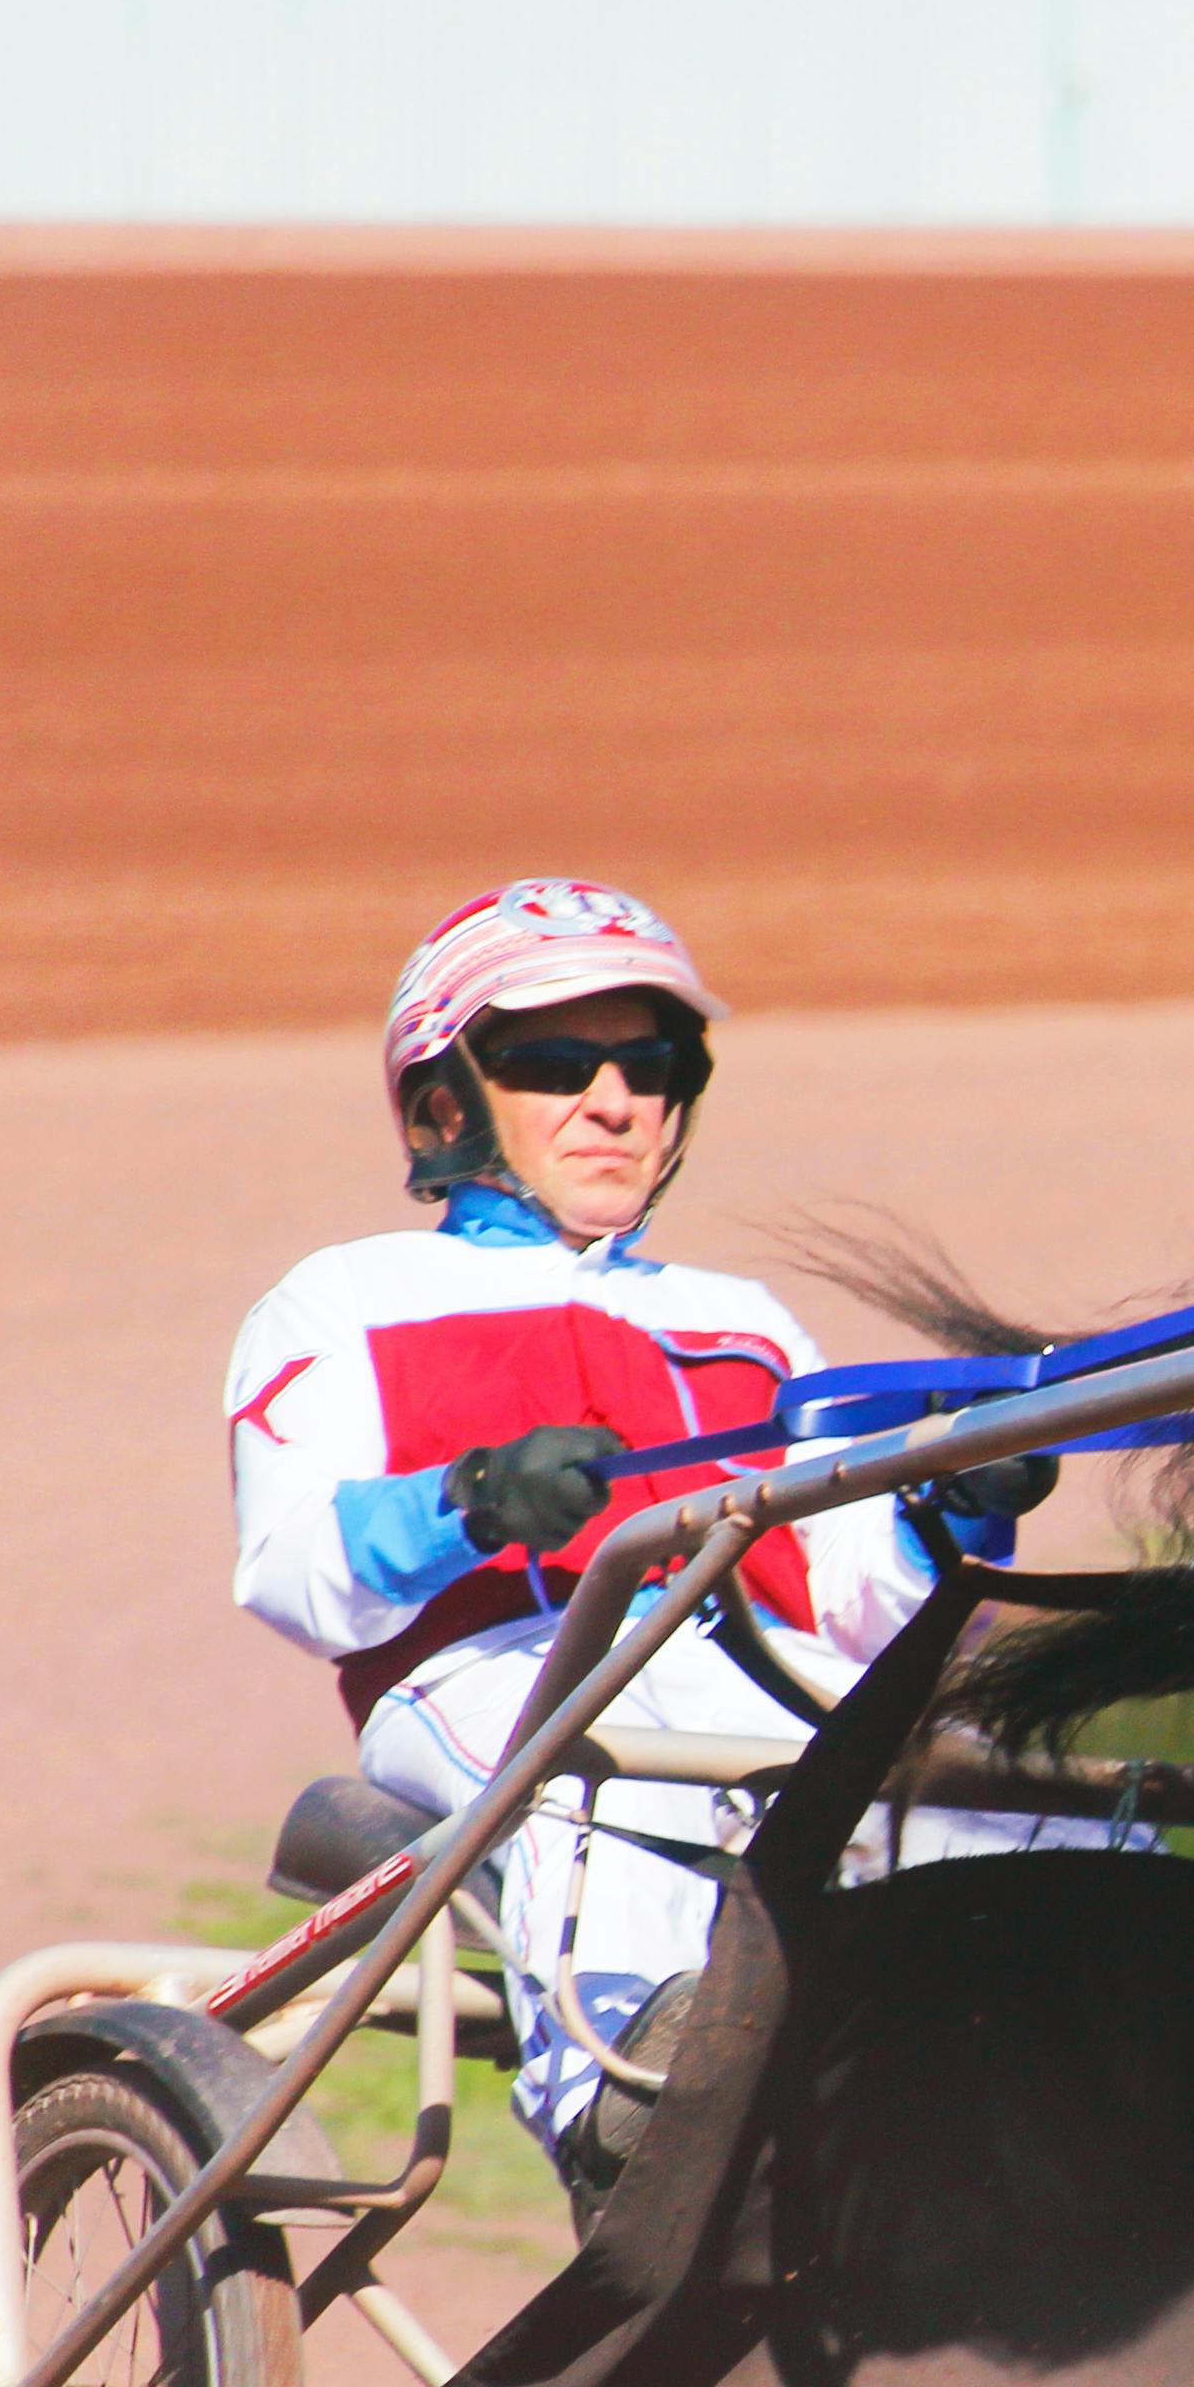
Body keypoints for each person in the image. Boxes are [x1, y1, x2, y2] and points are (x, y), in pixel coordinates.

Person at [223, 878, 1061, 2213]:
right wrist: (473, 1497)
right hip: (489, 1674)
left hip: (744, 1672)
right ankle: (621, 2101)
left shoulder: (745, 1324)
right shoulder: (342, 1298)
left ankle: (1082, 2074)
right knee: (608, 1748)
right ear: (447, 1099)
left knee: (1006, 1776)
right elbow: (292, 1568)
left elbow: (850, 1599)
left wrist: (950, 1504)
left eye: (648, 1064)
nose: (612, 1100)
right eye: (554, 1063)